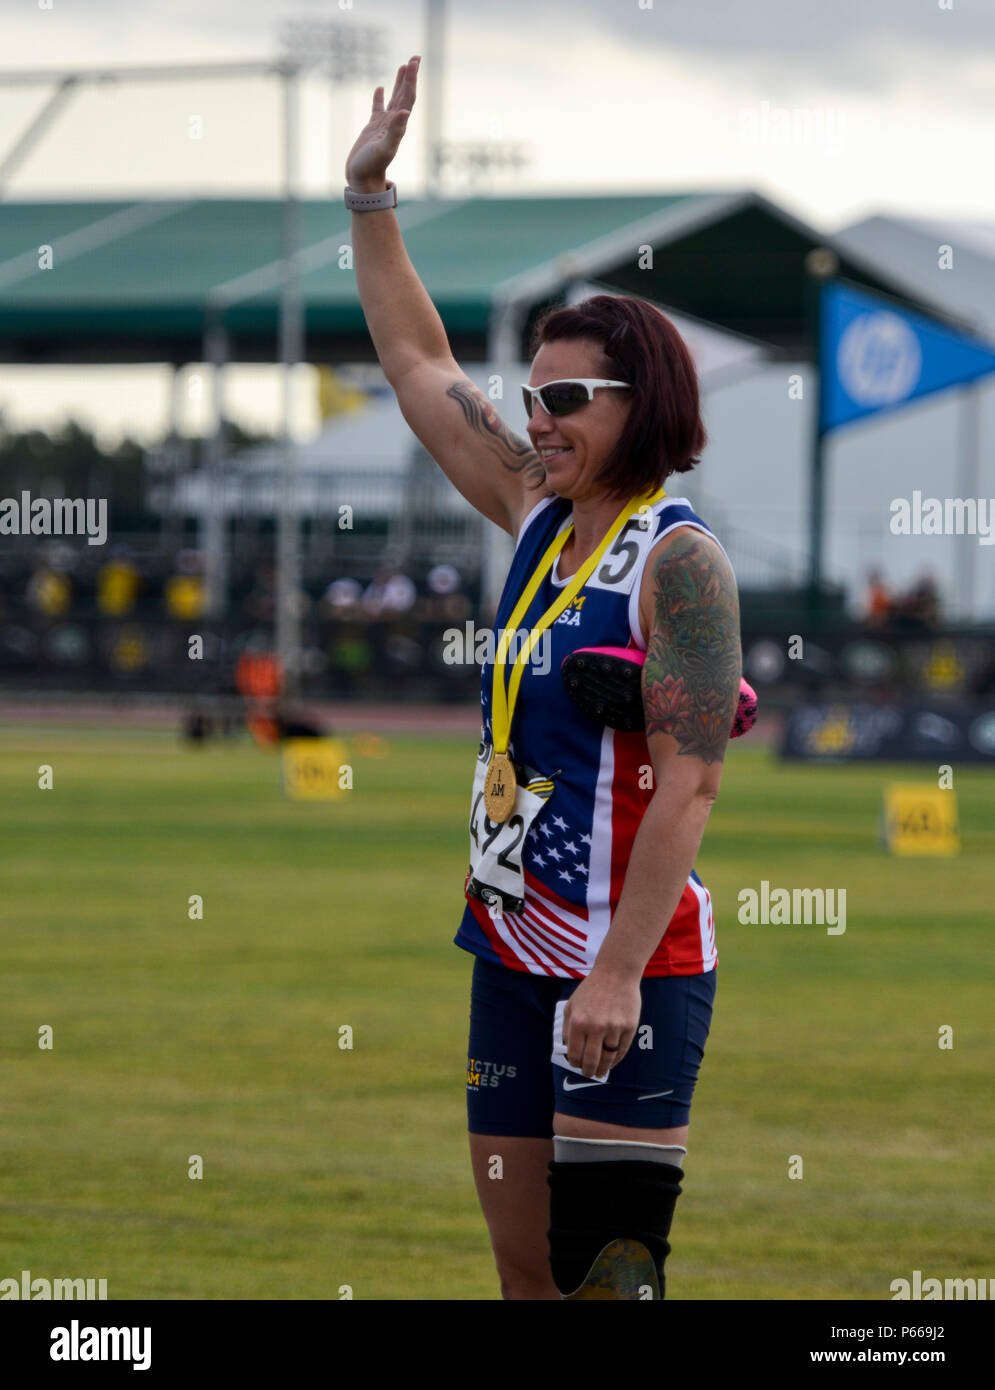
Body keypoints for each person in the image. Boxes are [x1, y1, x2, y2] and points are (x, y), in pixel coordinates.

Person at [346, 56, 742, 1301]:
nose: (539, 419)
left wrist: (615, 969)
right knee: (527, 1285)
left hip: (631, 962)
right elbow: (416, 362)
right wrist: (369, 198)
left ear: (644, 403)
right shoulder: (529, 507)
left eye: (567, 397)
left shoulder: (679, 564)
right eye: (532, 396)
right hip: (506, 958)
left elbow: (685, 793)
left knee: (611, 1281)